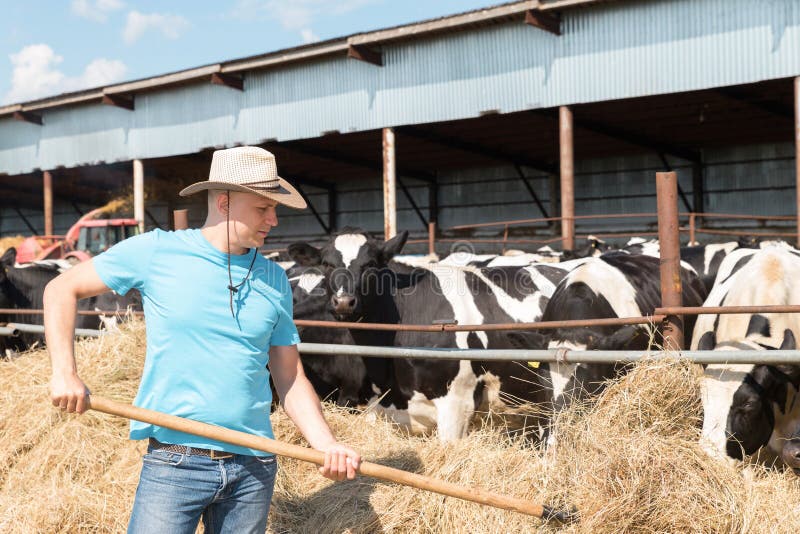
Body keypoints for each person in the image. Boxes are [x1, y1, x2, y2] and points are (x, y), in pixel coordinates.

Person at [44, 146, 361, 534]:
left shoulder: (275, 278)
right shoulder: (157, 251)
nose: (274, 220)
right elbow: (60, 289)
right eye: (263, 208)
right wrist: (64, 372)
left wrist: (326, 443)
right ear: (224, 203)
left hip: (255, 466)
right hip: (175, 463)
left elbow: (289, 376)